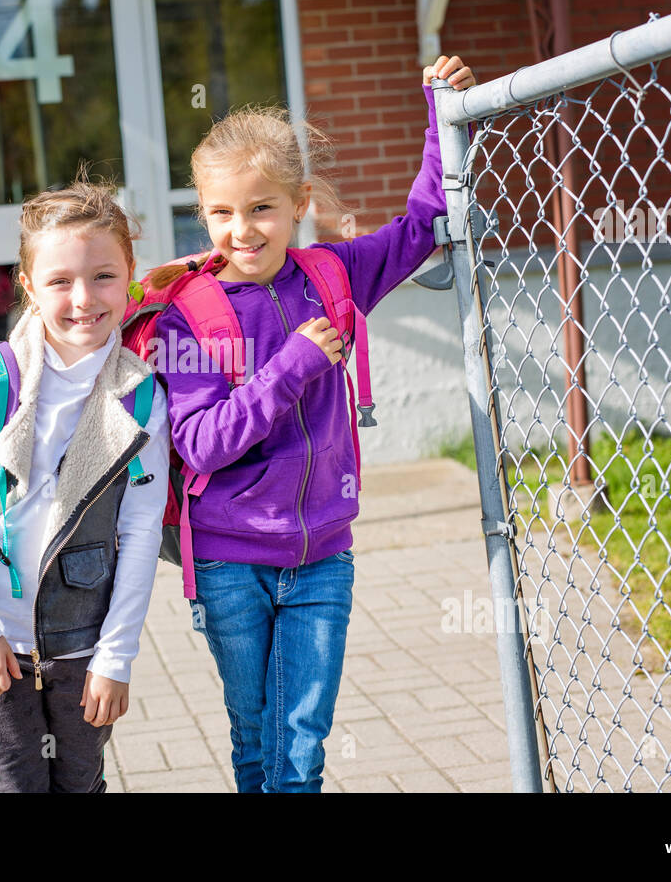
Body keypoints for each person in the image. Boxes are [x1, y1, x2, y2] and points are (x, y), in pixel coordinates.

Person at [147, 56, 477, 792]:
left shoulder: (330, 276)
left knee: (299, 743)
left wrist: (439, 108)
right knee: (256, 736)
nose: (243, 229)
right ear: (202, 213)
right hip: (230, 566)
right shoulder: (191, 316)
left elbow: (420, 226)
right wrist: (292, 365)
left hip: (323, 557)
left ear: (298, 204)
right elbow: (200, 442)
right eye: (223, 212)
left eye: (262, 207)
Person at [0, 179, 170, 793]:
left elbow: (139, 532)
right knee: (14, 783)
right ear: (29, 286)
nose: (83, 299)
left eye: (103, 276)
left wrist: (115, 658)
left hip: (81, 642)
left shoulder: (142, 397)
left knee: (81, 783)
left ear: (130, 274)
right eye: (59, 281)